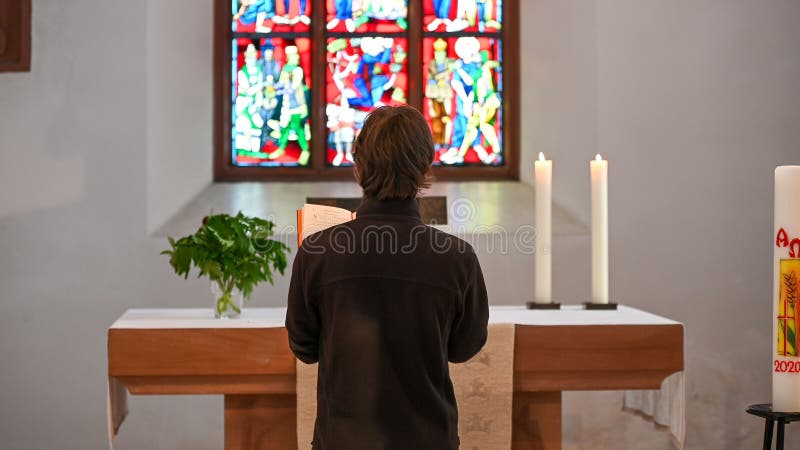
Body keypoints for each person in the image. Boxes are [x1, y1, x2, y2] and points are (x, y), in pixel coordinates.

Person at [286, 105, 489, 450]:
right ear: (426, 166)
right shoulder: (456, 257)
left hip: (344, 440)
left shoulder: (317, 252)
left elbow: (304, 347)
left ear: (358, 164)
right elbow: (464, 347)